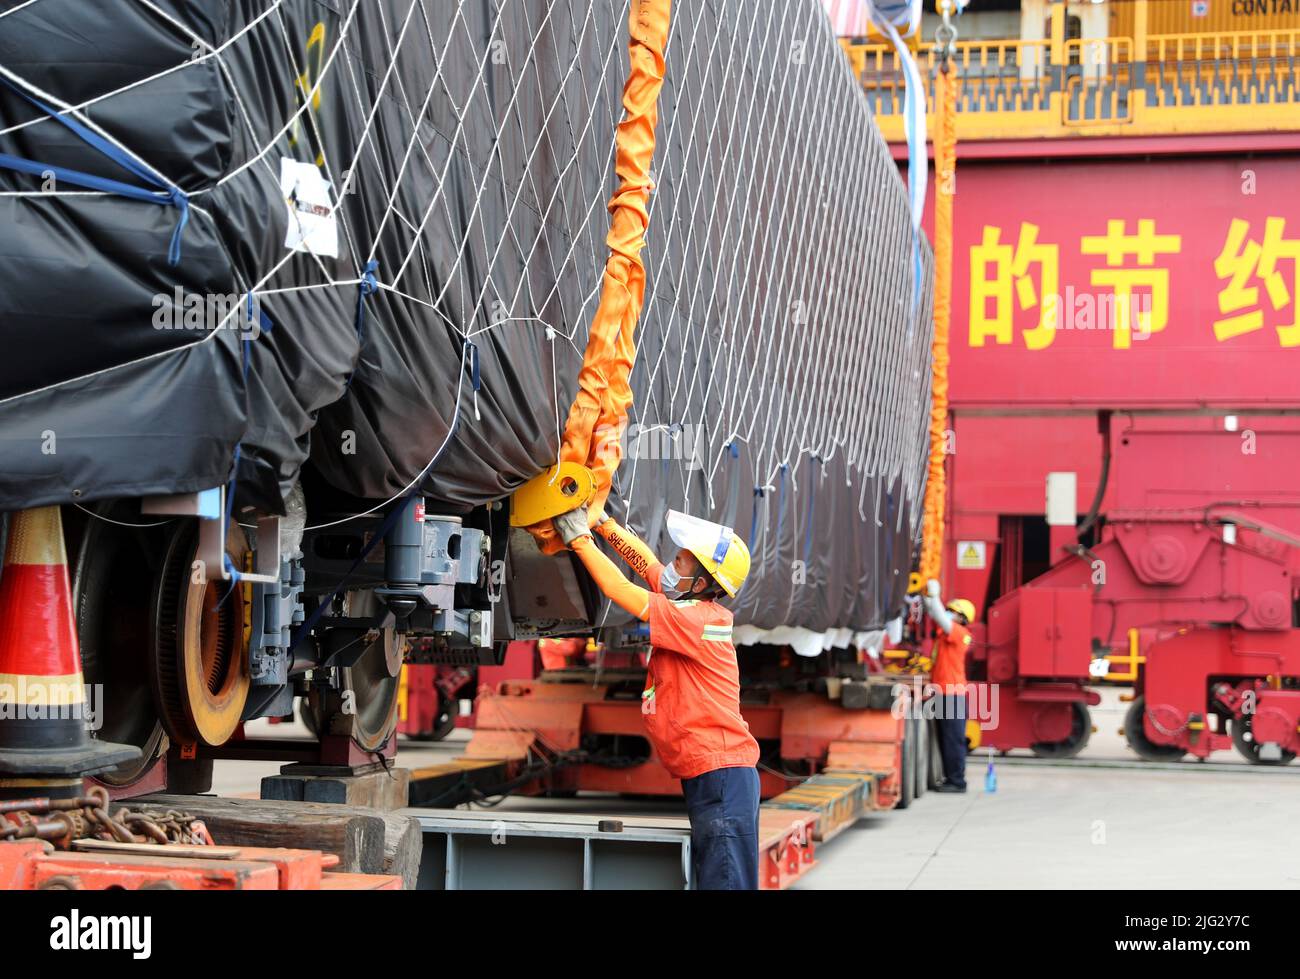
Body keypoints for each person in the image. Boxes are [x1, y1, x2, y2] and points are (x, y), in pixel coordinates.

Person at [552, 505, 761, 889]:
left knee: (725, 882)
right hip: (713, 774)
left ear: (700, 583)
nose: (670, 563)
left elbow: (621, 591)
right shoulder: (688, 603)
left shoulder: (695, 619)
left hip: (721, 776)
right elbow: (646, 564)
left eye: (680, 560)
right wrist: (606, 526)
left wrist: (579, 538)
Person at [922, 578, 974, 793]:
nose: (949, 613)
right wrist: (927, 597)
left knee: (953, 739)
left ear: (961, 618)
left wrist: (935, 597)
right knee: (947, 737)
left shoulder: (960, 634)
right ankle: (951, 778)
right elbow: (936, 615)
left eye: (953, 611)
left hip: (952, 695)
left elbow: (941, 617)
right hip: (945, 693)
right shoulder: (947, 634)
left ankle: (957, 781)